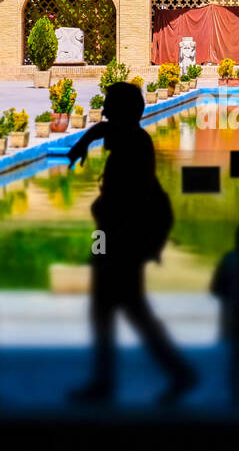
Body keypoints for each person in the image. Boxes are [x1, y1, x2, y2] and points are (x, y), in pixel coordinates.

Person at [65, 82, 197, 404]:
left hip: (122, 241)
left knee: (123, 309)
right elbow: (100, 130)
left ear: (122, 113)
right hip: (115, 239)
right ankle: (115, 379)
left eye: (110, 105)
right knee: (117, 310)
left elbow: (132, 200)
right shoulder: (130, 137)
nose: (105, 110)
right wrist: (82, 143)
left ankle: (166, 374)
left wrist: (112, 246)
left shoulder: (134, 144)